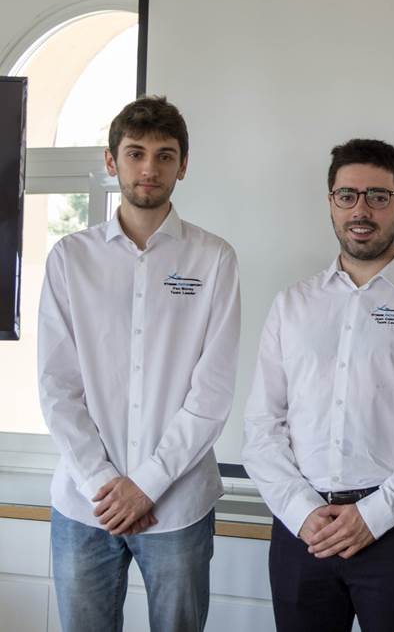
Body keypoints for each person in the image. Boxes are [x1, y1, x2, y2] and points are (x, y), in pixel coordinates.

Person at [243, 138, 394, 632]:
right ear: (330, 202)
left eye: (378, 196)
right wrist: (303, 511)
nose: (361, 210)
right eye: (347, 195)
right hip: (301, 531)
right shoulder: (292, 305)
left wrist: (372, 515)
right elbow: (263, 426)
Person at [38, 95, 240, 632]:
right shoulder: (69, 259)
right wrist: (107, 483)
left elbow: (213, 391)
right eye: (135, 153)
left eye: (165, 155)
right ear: (112, 161)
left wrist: (147, 484)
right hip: (86, 506)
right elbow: (57, 388)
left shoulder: (214, 259)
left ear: (183, 165)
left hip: (177, 506)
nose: (149, 168)